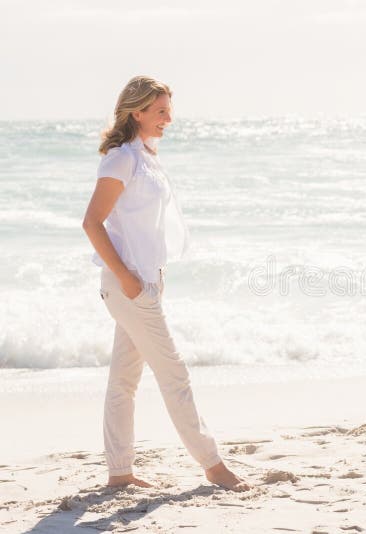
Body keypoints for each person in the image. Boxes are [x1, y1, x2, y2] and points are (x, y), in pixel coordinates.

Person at [83, 76, 250, 491]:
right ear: (137, 111)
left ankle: (119, 474)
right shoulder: (122, 158)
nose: (168, 119)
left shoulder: (146, 156)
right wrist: (127, 278)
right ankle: (213, 465)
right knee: (175, 374)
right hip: (129, 284)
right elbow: (92, 222)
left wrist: (146, 279)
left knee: (123, 380)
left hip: (146, 281)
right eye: (160, 111)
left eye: (168, 110)